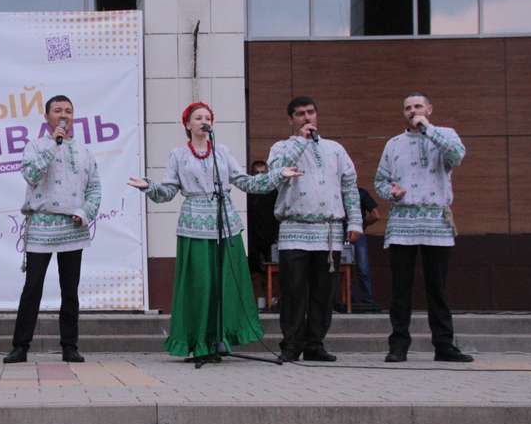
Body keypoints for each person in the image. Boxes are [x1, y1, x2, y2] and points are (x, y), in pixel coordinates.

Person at [128, 103, 298, 365]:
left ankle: (221, 339)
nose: (204, 121)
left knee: (224, 284)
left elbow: (246, 182)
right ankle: (199, 342)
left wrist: (277, 175)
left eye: (207, 117)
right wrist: (148, 187)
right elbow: (169, 191)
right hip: (194, 224)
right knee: (200, 285)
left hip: (225, 223)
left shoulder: (222, 152)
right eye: (198, 118)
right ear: (187, 124)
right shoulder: (178, 155)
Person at [374, 93, 472, 363]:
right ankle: (398, 346)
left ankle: (444, 345)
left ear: (429, 108)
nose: (412, 111)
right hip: (402, 223)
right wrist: (390, 191)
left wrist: (426, 128)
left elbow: (457, 156)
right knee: (400, 288)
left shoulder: (445, 135)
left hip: (435, 222)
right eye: (407, 107)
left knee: (437, 287)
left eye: (417, 106)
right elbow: (380, 180)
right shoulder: (393, 144)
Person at [4, 95, 101, 364]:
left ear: (74, 117)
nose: (63, 115)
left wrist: (85, 213)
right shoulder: (34, 146)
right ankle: (20, 346)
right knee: (32, 287)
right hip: (42, 226)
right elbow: (32, 175)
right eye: (57, 110)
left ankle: (70, 346)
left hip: (72, 226)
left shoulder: (85, 151)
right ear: (47, 117)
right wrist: (53, 146)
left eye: (68, 111)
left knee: (69, 289)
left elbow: (94, 188)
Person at [267, 96, 362, 362]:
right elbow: (274, 174)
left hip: (329, 231)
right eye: (300, 114)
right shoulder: (282, 147)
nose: (307, 118)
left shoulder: (335, 149)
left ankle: (315, 344)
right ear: (291, 120)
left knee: (323, 293)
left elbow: (349, 187)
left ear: (317, 115)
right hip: (294, 230)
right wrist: (300, 141)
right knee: (294, 292)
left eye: (310, 112)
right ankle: (290, 345)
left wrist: (354, 221)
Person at [246, 159, 279, 305]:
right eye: (257, 173)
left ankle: (271, 300)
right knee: (252, 271)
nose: (260, 176)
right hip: (251, 237)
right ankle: (255, 301)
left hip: (270, 236)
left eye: (263, 173)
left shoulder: (273, 192)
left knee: (271, 270)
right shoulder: (247, 192)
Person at [350, 187, 382, 312]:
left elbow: (376, 215)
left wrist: (362, 225)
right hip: (357, 232)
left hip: (342, 232)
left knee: (345, 269)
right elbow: (376, 215)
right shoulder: (361, 192)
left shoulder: (335, 191)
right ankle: (366, 301)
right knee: (363, 268)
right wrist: (361, 224)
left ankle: (349, 300)